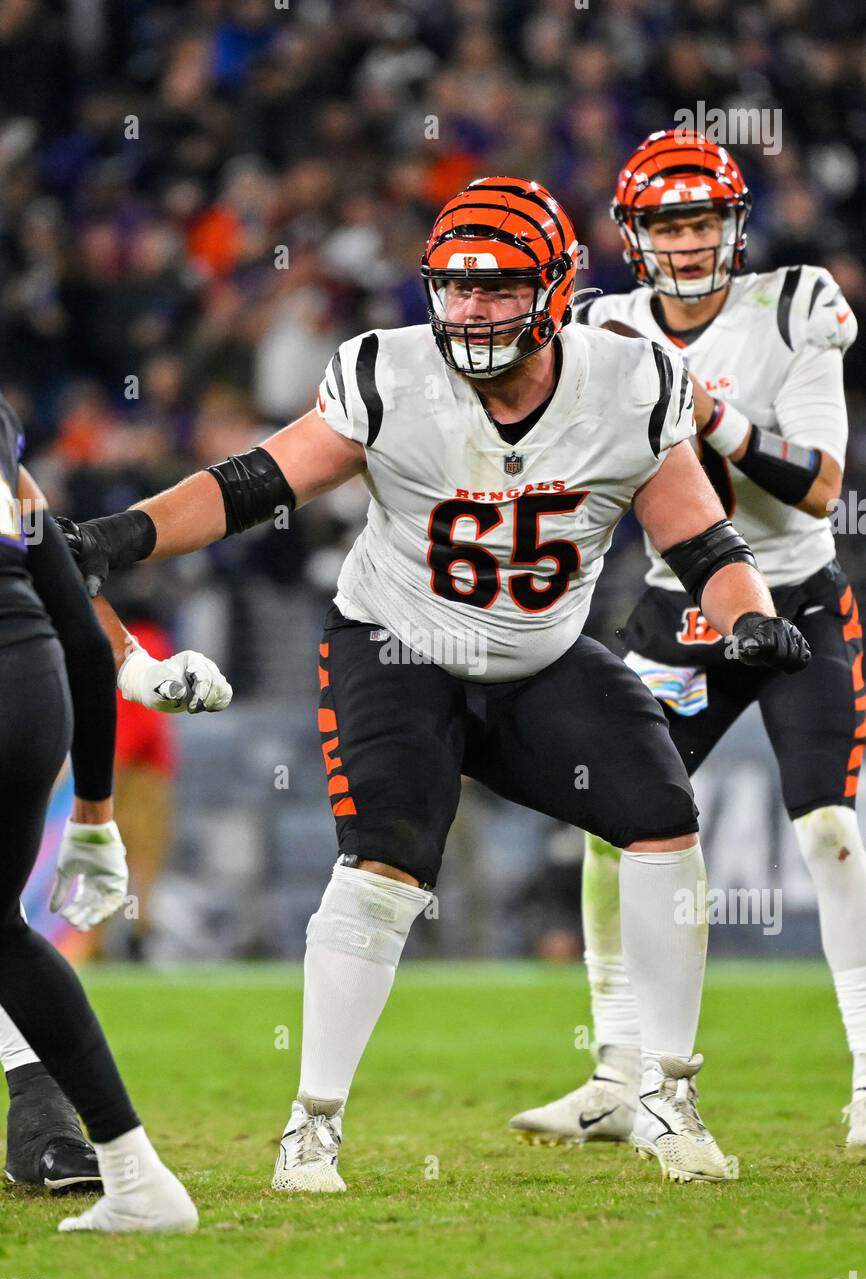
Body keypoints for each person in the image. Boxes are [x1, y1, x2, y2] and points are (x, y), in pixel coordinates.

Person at [59, 177, 809, 1188]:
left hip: (540, 659)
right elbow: (255, 483)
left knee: (661, 816)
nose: (470, 312)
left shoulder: (628, 384)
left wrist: (750, 617)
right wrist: (117, 536)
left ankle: (665, 1093)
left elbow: (701, 537)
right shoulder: (388, 372)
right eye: (454, 290)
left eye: (498, 290)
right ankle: (312, 1121)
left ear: (554, 289)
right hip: (396, 648)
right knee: (385, 862)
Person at [508, 130, 866, 1157]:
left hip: (792, 599)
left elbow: (820, 484)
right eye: (666, 222)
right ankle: (618, 1072)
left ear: (732, 227)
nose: (686, 240)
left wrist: (716, 419)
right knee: (610, 822)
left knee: (826, 829)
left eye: (701, 219)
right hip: (676, 612)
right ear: (634, 235)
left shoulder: (791, 305)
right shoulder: (603, 325)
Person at [0, 390, 232, 1209]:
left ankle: (51, 1122)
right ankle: (102, 1155)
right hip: (30, 692)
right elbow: (68, 608)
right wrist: (94, 815)